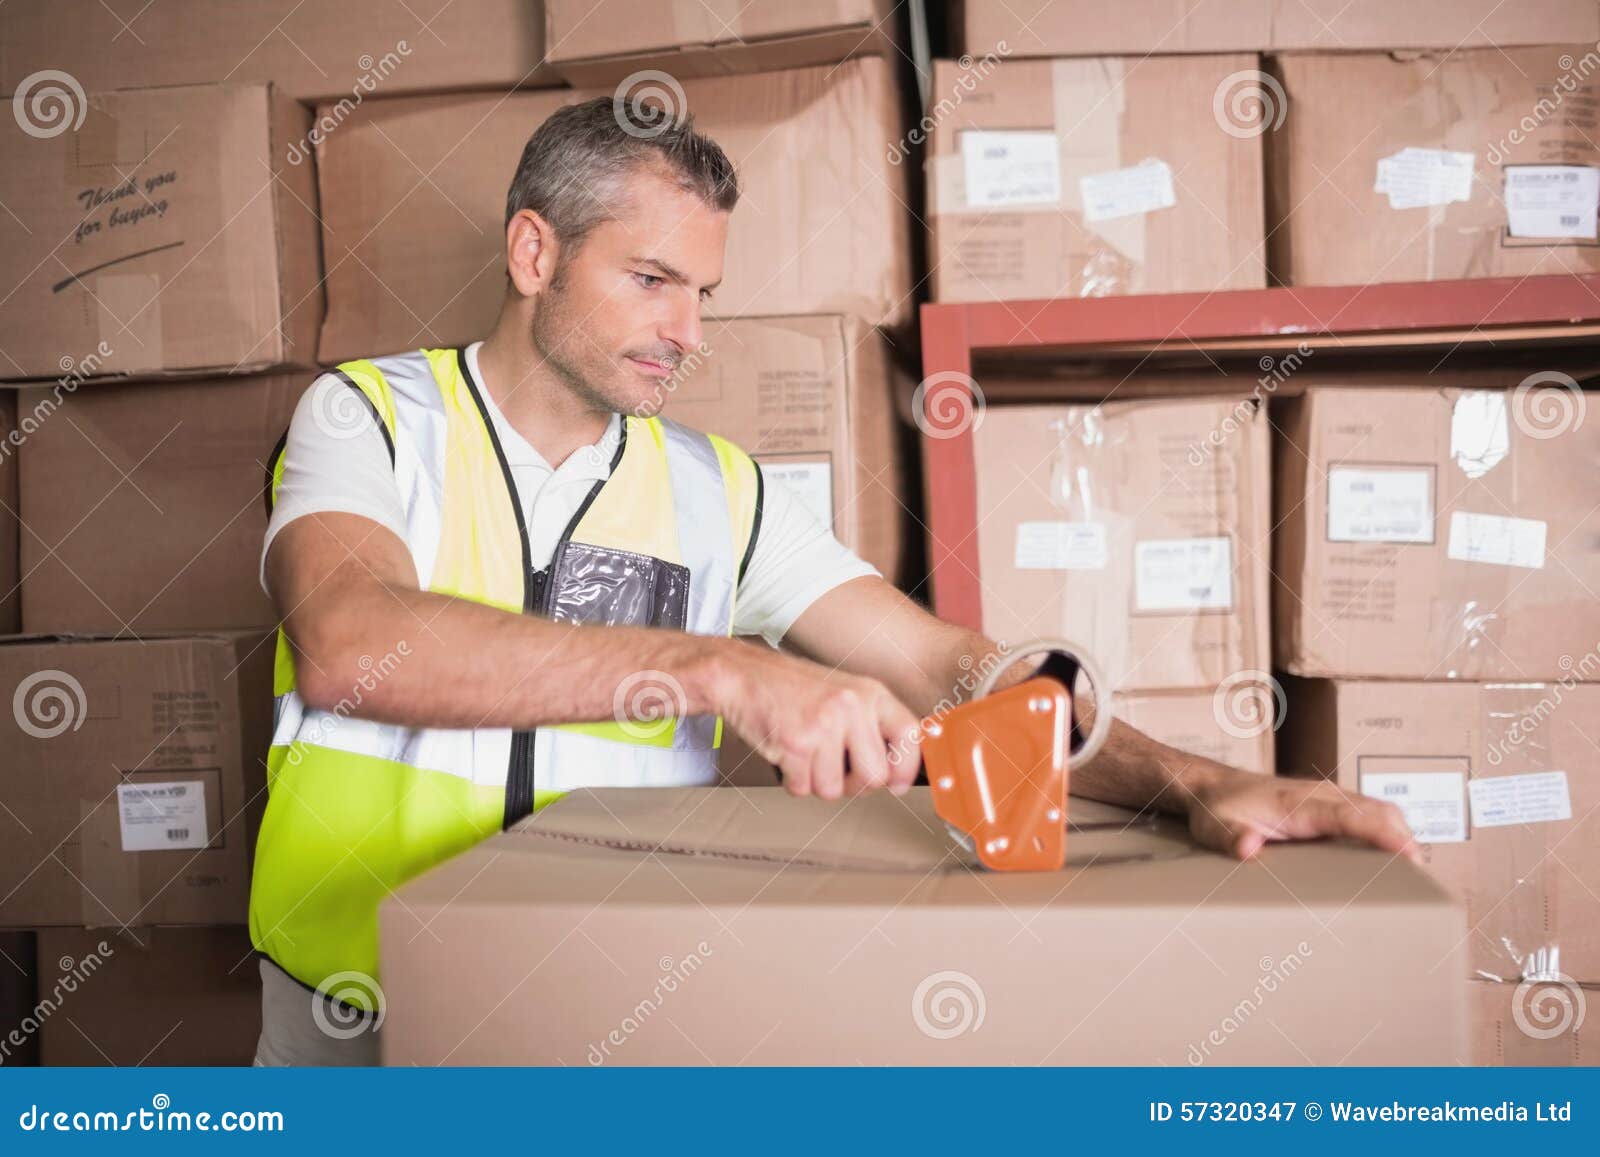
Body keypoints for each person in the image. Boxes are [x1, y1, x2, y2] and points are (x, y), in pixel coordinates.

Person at [249, 97, 1418, 1065]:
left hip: (603, 1010)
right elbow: (358, 644)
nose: (689, 330)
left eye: (705, 291)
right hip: (353, 1005)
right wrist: (720, 666)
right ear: (533, 251)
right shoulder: (370, 418)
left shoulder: (720, 491)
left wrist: (1192, 781)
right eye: (653, 279)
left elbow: (946, 668)